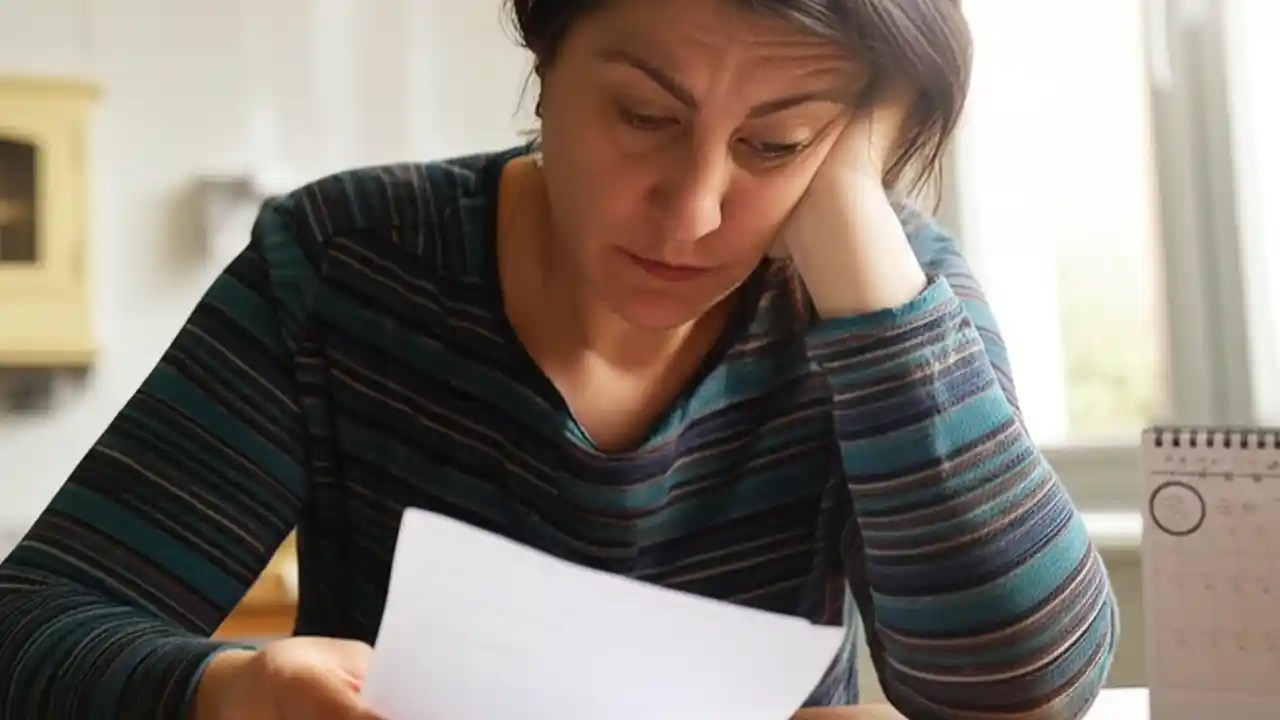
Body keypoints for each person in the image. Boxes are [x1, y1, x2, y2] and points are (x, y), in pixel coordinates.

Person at [0, 0, 1119, 717]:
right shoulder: (347, 264)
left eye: (774, 143)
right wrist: (224, 690)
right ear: (545, 57)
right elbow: (34, 623)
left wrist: (856, 222)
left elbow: (1019, 693)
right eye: (640, 116)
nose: (689, 213)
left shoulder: (883, 298)